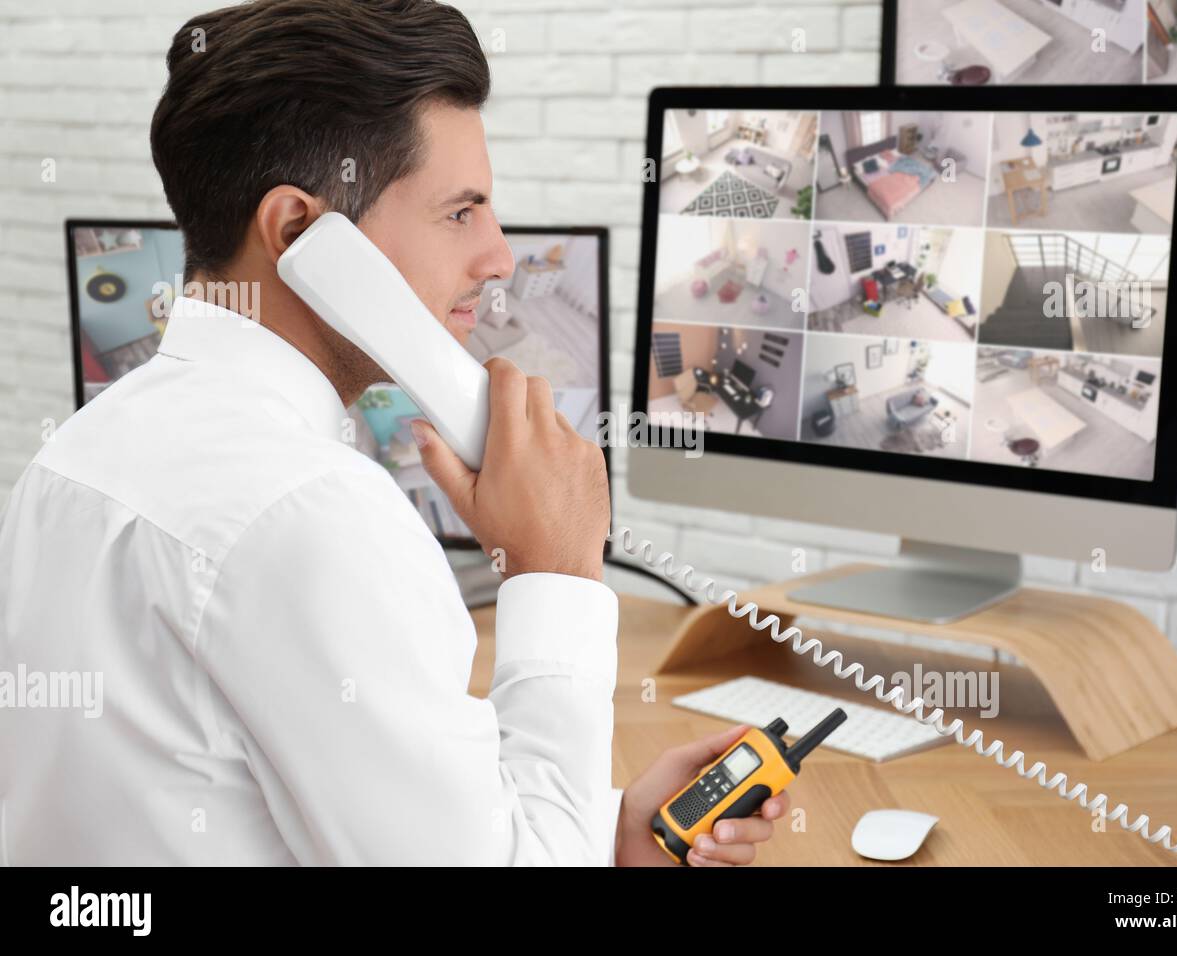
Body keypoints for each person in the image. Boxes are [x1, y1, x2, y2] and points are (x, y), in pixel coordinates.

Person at [0, 0, 790, 866]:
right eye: (462, 212)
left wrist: (601, 831)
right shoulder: (312, 513)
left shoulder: (71, 457)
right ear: (301, 234)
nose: (499, 257)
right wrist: (556, 569)